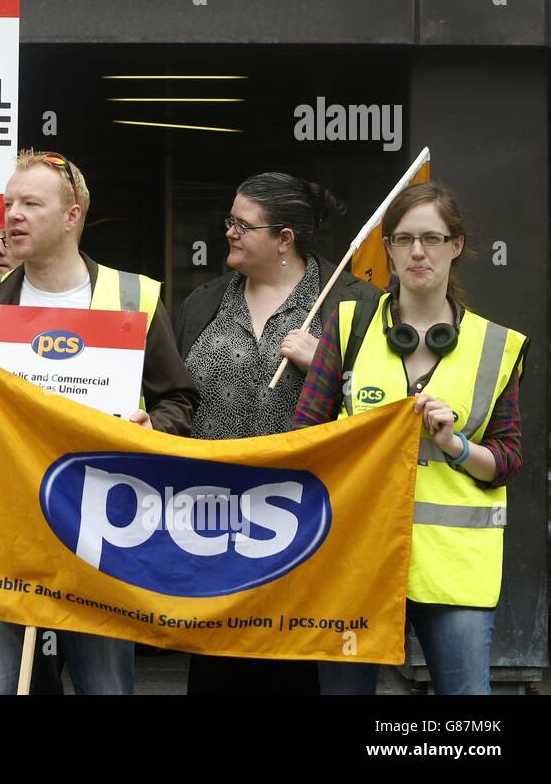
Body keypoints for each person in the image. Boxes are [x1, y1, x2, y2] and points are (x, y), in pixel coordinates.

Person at [0, 149, 199, 695]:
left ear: (72, 215)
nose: (11, 216)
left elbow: (178, 398)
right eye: (8, 204)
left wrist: (153, 429)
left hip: (102, 530)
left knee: (105, 685)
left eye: (30, 204)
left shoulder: (134, 296)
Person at [294, 182, 526, 695]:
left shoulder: (495, 345)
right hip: (357, 557)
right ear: (390, 248)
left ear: (456, 245)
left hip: (455, 569)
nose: (418, 252)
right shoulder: (349, 324)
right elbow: (305, 436)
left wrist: (456, 444)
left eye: (433, 238)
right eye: (404, 239)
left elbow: (508, 460)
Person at [174, 172, 380, 695]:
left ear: (284, 238)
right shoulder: (204, 301)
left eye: (242, 225)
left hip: (299, 522)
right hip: (209, 521)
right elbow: (176, 396)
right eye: (229, 222)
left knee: (290, 665)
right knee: (215, 670)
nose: (229, 233)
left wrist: (326, 367)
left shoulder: (353, 304)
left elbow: (380, 412)